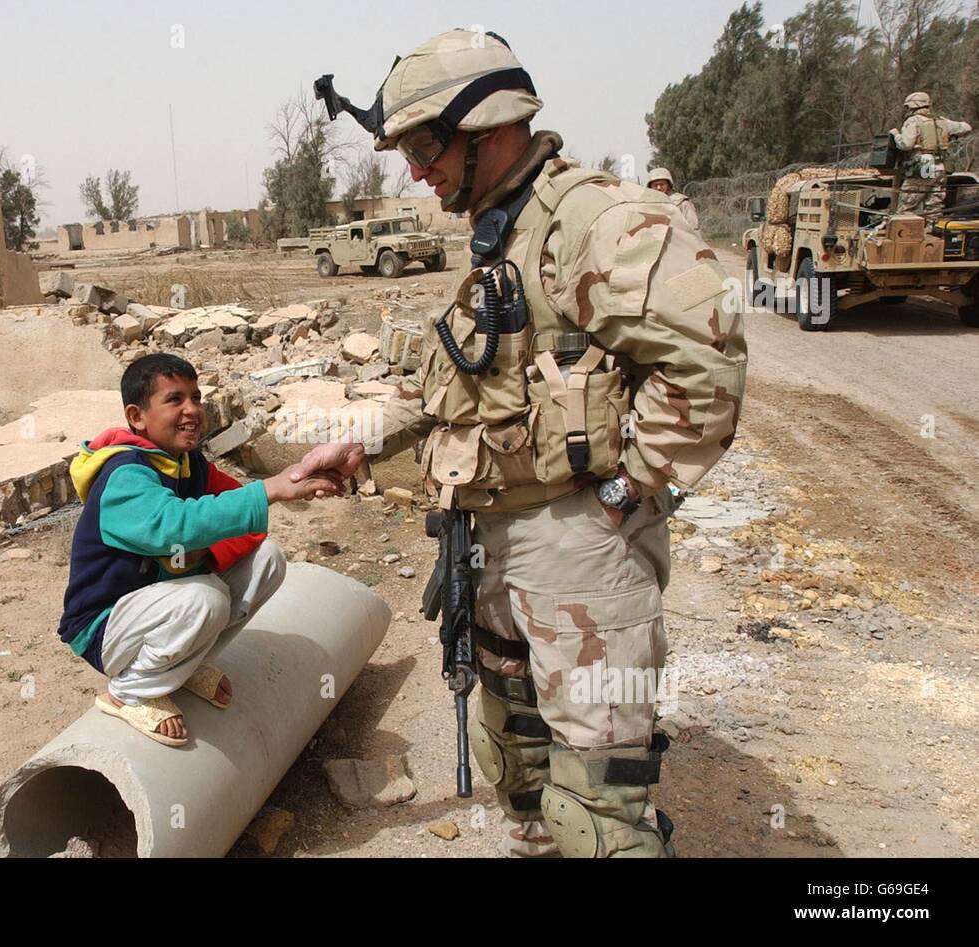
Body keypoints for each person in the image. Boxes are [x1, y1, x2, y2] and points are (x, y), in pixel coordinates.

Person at [310, 28, 746, 856]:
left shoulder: (594, 221)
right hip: (489, 550)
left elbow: (707, 366)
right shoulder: (498, 232)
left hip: (579, 552)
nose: (415, 170)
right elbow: (475, 388)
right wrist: (365, 447)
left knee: (596, 815)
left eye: (427, 145)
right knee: (523, 780)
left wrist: (628, 490)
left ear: (493, 125)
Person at [56, 353, 350, 746]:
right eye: (174, 400)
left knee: (267, 561)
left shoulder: (187, 464)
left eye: (196, 397)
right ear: (136, 416)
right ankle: (130, 692)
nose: (192, 410)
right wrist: (266, 492)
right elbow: (172, 526)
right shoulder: (124, 475)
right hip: (107, 627)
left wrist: (299, 479)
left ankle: (184, 665)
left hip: (155, 611)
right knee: (205, 597)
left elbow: (238, 513)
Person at [891, 92, 973, 218]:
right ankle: (933, 232)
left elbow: (906, 144)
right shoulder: (941, 121)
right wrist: (949, 135)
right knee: (934, 208)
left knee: (906, 206)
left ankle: (906, 234)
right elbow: (966, 127)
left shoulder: (913, 121)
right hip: (940, 167)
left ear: (912, 106)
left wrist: (896, 135)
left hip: (922, 165)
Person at [647, 168, 701, 232]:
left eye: (662, 184)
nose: (659, 188)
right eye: (655, 185)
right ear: (650, 187)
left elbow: (693, 227)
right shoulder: (647, 204)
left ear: (668, 185)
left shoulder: (682, 203)